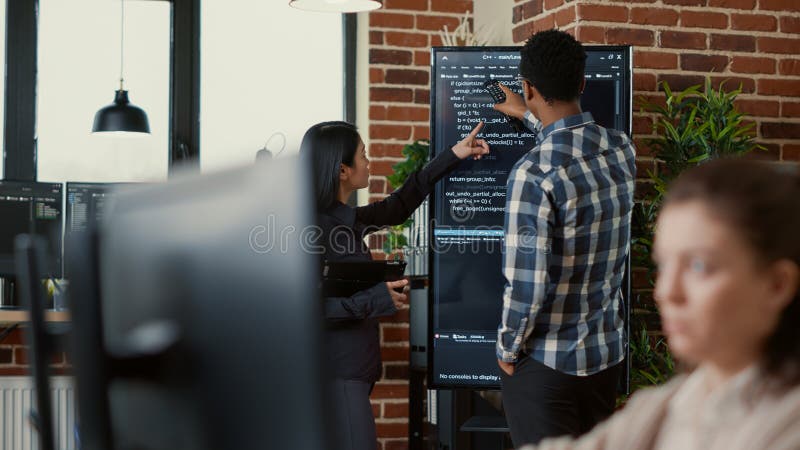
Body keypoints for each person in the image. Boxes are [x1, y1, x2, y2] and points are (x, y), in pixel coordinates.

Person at [520, 158, 800, 450]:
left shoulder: (788, 428)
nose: (666, 292)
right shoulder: (665, 407)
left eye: (699, 266)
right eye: (663, 265)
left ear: (777, 285)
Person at [299, 120, 489, 450]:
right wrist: (374, 299)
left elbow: (400, 204)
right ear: (343, 170)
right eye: (363, 155)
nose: (368, 161)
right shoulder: (310, 231)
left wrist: (454, 154)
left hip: (353, 374)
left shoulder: (349, 221)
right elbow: (304, 311)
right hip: (338, 376)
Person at [491, 29, 637, 447]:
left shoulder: (532, 174)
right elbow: (571, 147)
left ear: (528, 86)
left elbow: (527, 287)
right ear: (583, 83)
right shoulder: (622, 150)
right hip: (604, 357)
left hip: (545, 367)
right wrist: (530, 115)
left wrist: (507, 348)